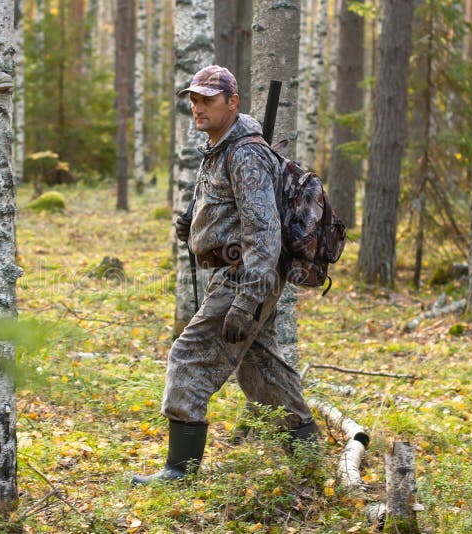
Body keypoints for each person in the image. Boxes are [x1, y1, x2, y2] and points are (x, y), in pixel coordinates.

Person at [132, 65, 319, 485]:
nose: (198, 107)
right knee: (263, 371)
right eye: (194, 99)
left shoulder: (245, 153)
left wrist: (247, 299)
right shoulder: (218, 146)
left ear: (232, 103)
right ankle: (308, 461)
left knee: (190, 358)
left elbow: (265, 231)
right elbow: (228, 209)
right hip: (235, 272)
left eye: (207, 99)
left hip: (244, 275)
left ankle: (179, 472)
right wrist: (195, 226)